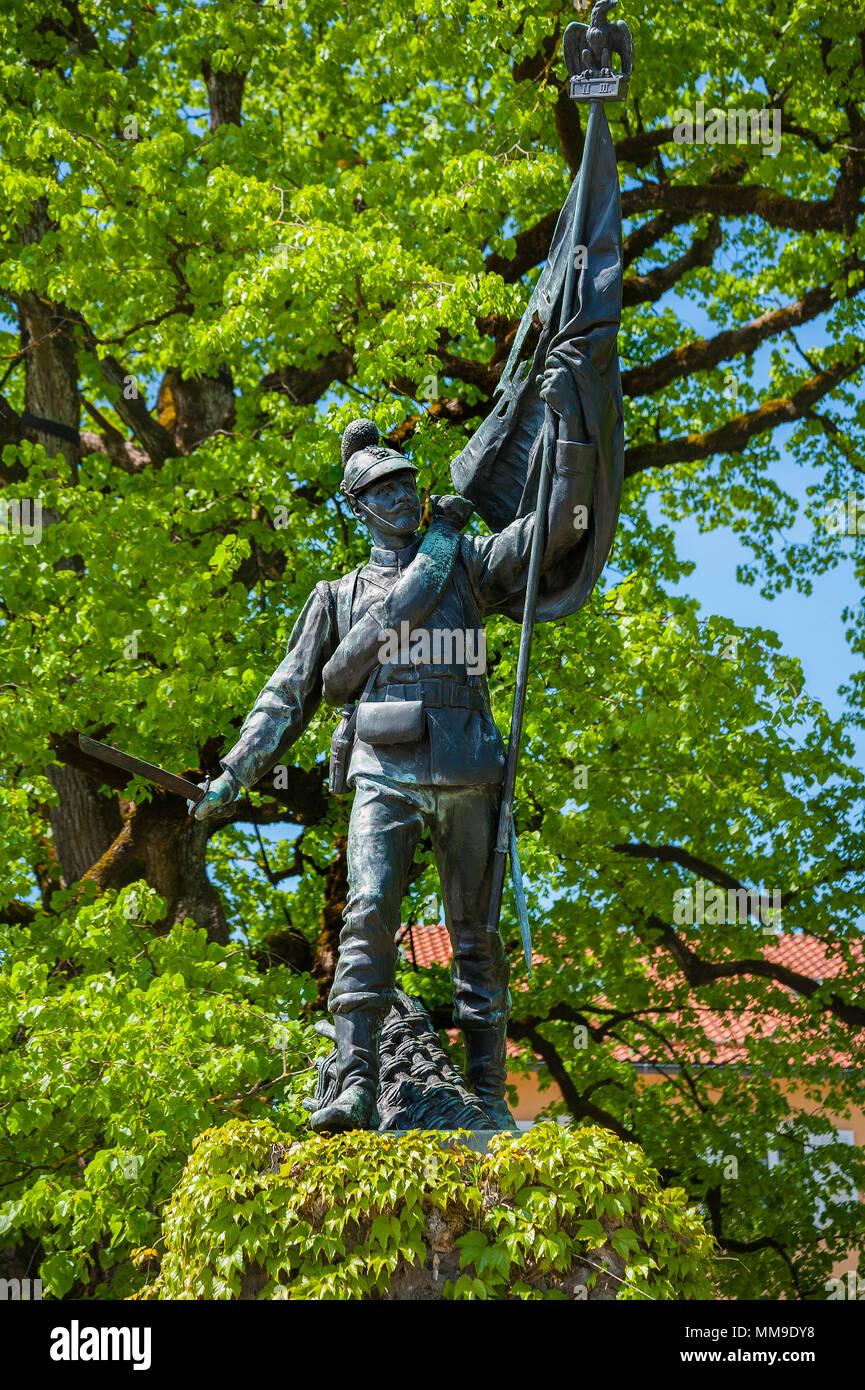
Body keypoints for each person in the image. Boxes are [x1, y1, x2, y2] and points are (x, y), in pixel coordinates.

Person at [192, 357, 596, 1132]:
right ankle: (352, 1081)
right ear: (358, 506)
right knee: (368, 912)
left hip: (470, 767)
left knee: (474, 936)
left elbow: (549, 530)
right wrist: (236, 774)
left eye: (409, 485)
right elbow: (287, 695)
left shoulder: (465, 563)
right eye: (386, 490)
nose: (405, 497)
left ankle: (484, 1098)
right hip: (384, 766)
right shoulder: (338, 598)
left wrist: (568, 432)